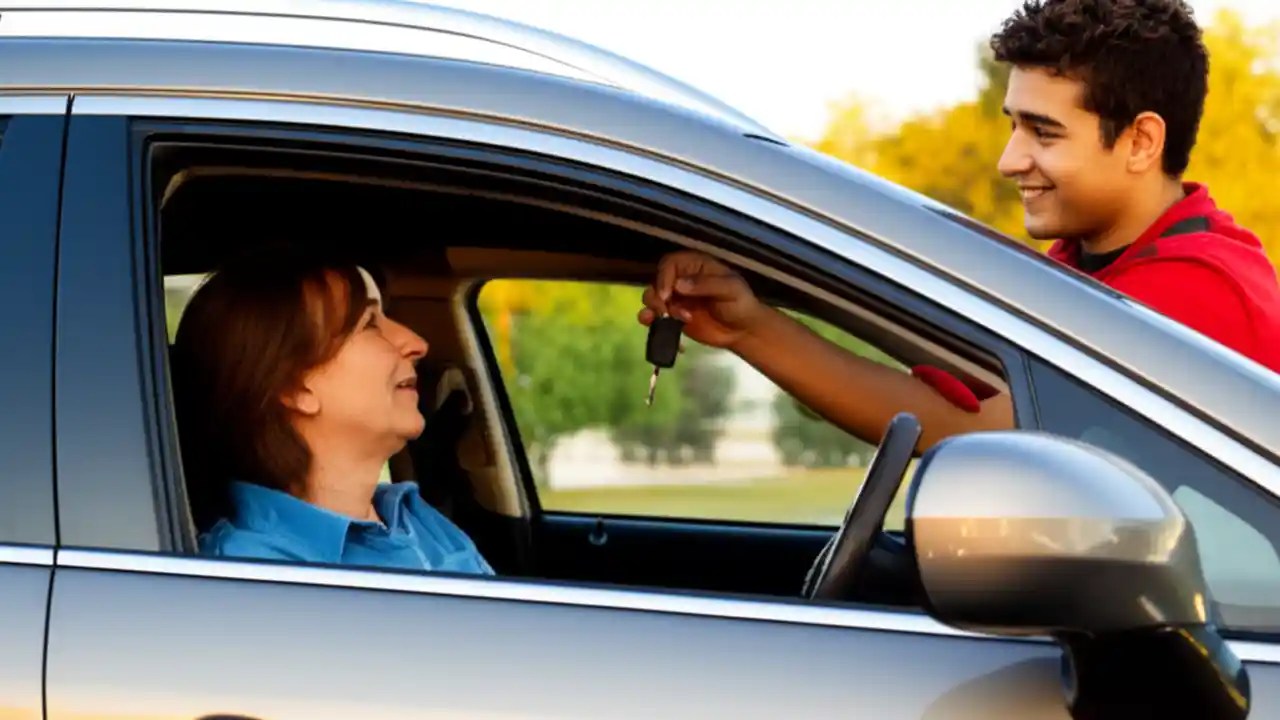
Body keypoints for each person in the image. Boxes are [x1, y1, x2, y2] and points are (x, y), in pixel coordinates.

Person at [638, 0, 1280, 452]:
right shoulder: (1083, 266)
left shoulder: (1204, 291)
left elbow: (960, 428)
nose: (1009, 161)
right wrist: (751, 322)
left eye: (1043, 132)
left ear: (1141, 141)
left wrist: (752, 331)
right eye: (1013, 123)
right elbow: (947, 382)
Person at [171, 245, 494, 575]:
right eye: (369, 323)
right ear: (295, 387)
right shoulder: (253, 572)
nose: (416, 343)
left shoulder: (416, 518)